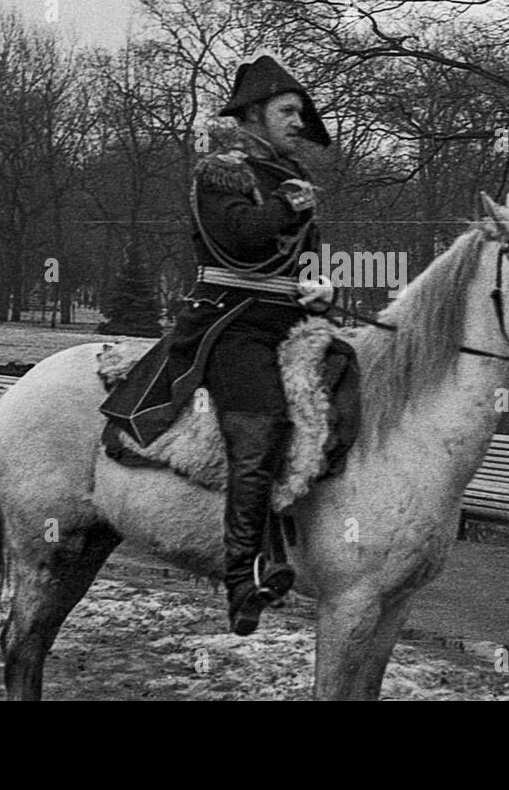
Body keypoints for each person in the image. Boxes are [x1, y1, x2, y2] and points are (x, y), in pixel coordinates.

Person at [101, 55, 335, 636]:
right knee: (258, 434)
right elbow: (238, 237)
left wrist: (321, 284)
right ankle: (242, 576)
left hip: (289, 322)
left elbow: (306, 256)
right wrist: (289, 205)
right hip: (230, 324)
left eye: (301, 113)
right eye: (287, 111)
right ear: (254, 113)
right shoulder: (222, 172)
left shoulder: (291, 179)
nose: (297, 122)